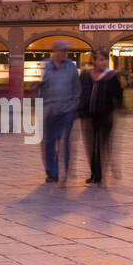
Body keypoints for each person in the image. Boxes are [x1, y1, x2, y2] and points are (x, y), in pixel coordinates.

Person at [38, 39, 81, 183]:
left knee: (64, 141)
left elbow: (77, 88)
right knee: (49, 142)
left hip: (66, 110)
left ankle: (63, 171)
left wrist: (75, 106)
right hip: (50, 110)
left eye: (66, 50)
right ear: (55, 50)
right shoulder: (46, 67)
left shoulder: (71, 68)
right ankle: (52, 172)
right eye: (62, 50)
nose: (65, 53)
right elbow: (41, 87)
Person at [79, 49, 123, 185]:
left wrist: (116, 110)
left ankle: (101, 172)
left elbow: (119, 95)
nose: (103, 62)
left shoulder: (111, 77)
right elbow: (80, 92)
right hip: (89, 114)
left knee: (103, 144)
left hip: (105, 115)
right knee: (91, 145)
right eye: (100, 59)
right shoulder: (86, 76)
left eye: (105, 59)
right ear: (94, 61)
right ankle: (95, 173)